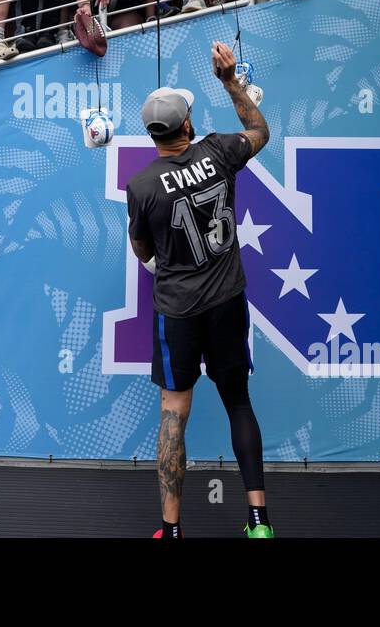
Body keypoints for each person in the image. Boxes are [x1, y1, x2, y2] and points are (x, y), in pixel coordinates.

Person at [126, 42, 272, 539]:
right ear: (186, 126)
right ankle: (258, 522)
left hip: (179, 314)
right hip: (227, 301)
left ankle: (171, 530)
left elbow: (141, 248)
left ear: (153, 135)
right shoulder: (218, 152)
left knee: (174, 415)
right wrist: (231, 81)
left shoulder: (142, 186)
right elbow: (260, 131)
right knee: (238, 402)